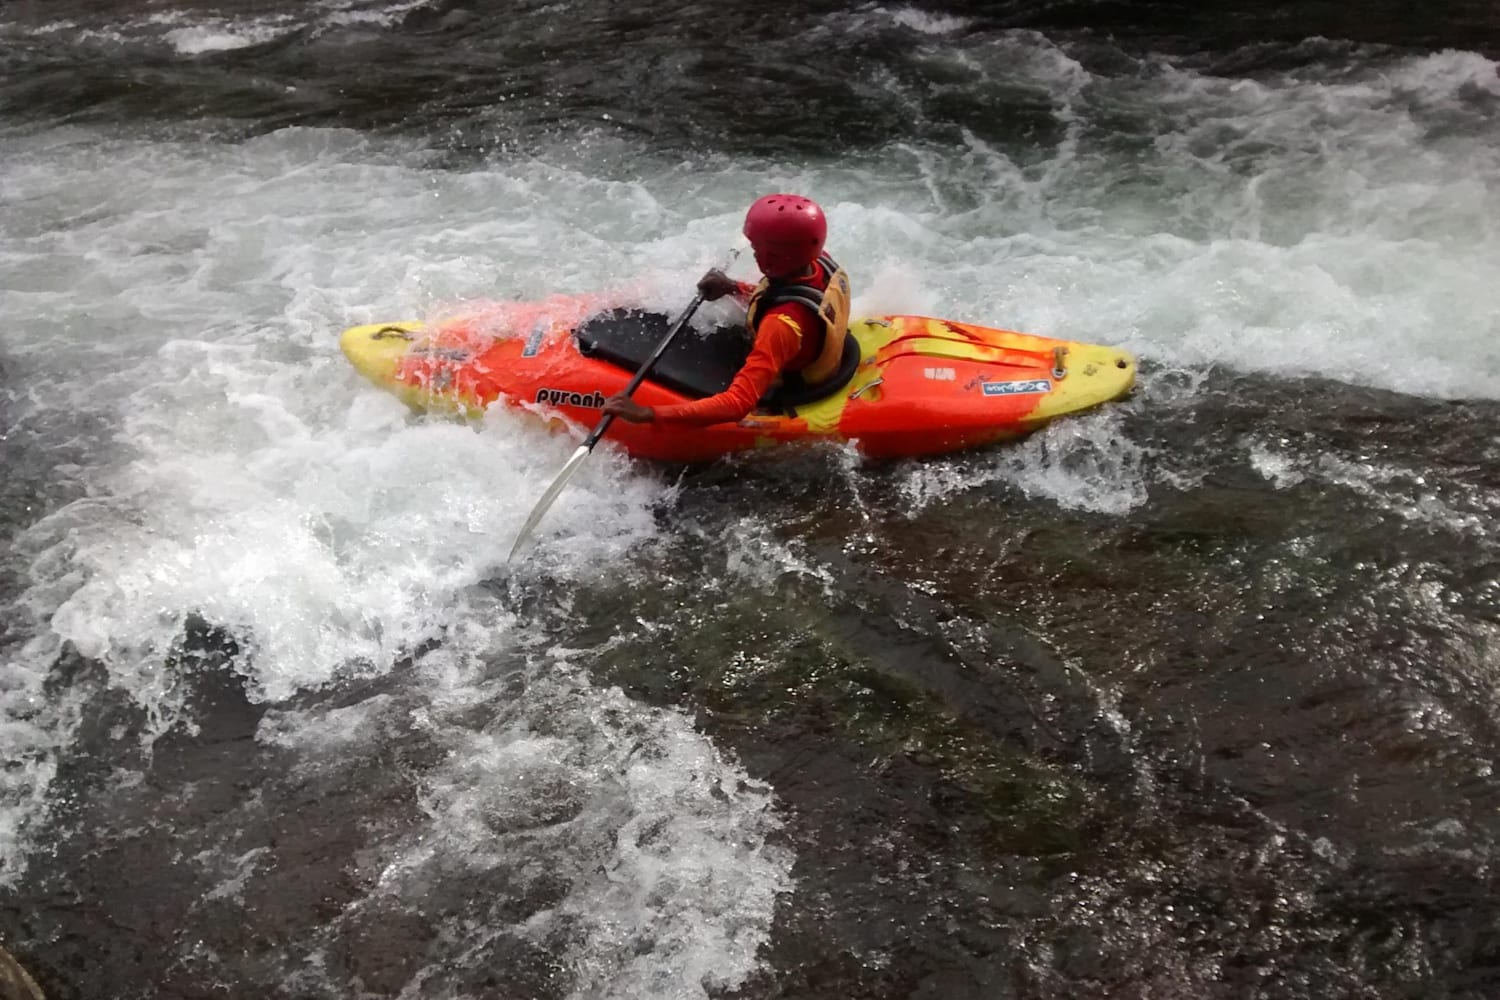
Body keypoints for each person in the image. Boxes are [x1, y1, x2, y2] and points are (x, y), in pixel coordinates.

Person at [602, 194, 852, 426]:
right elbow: (792, 297)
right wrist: (733, 287)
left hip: (789, 385)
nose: (753, 253)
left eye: (756, 248)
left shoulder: (780, 326)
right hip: (814, 357)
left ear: (773, 257)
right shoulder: (818, 262)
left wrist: (648, 413)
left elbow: (738, 403)